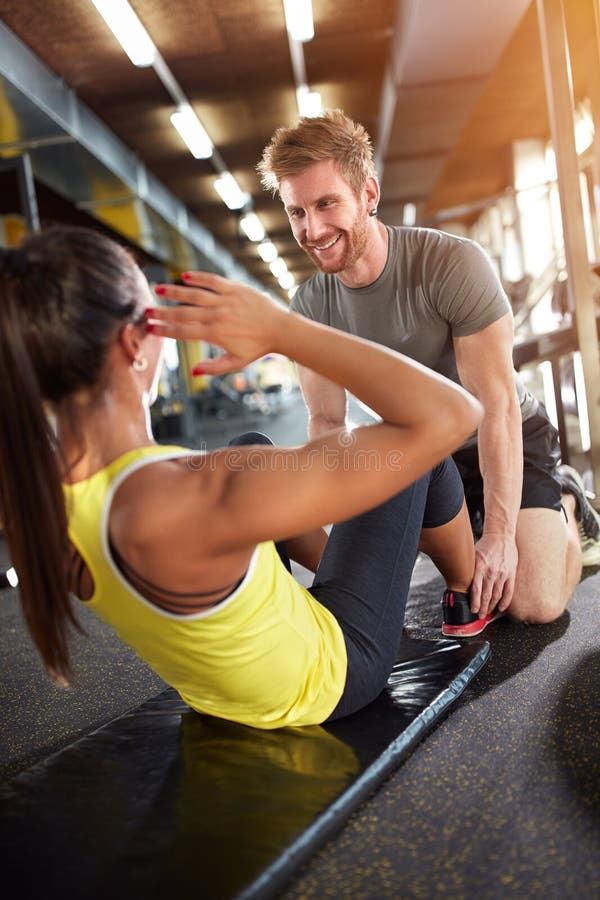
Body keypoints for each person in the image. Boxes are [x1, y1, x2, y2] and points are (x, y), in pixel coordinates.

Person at [0, 225, 481, 729]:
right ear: (132, 344)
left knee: (250, 443)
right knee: (417, 459)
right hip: (333, 678)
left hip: (216, 696)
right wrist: (284, 331)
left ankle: (355, 581)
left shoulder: (37, 496)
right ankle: (469, 592)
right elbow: (450, 415)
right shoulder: (201, 489)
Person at [257, 108, 600, 634]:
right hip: (422, 455)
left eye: (326, 204)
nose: (312, 229)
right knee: (460, 578)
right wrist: (342, 542)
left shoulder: (451, 265)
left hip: (505, 435)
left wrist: (503, 535)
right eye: (297, 212)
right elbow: (327, 426)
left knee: (533, 603)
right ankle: (475, 525)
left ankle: (571, 507)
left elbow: (498, 406)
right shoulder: (309, 306)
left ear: (368, 195)